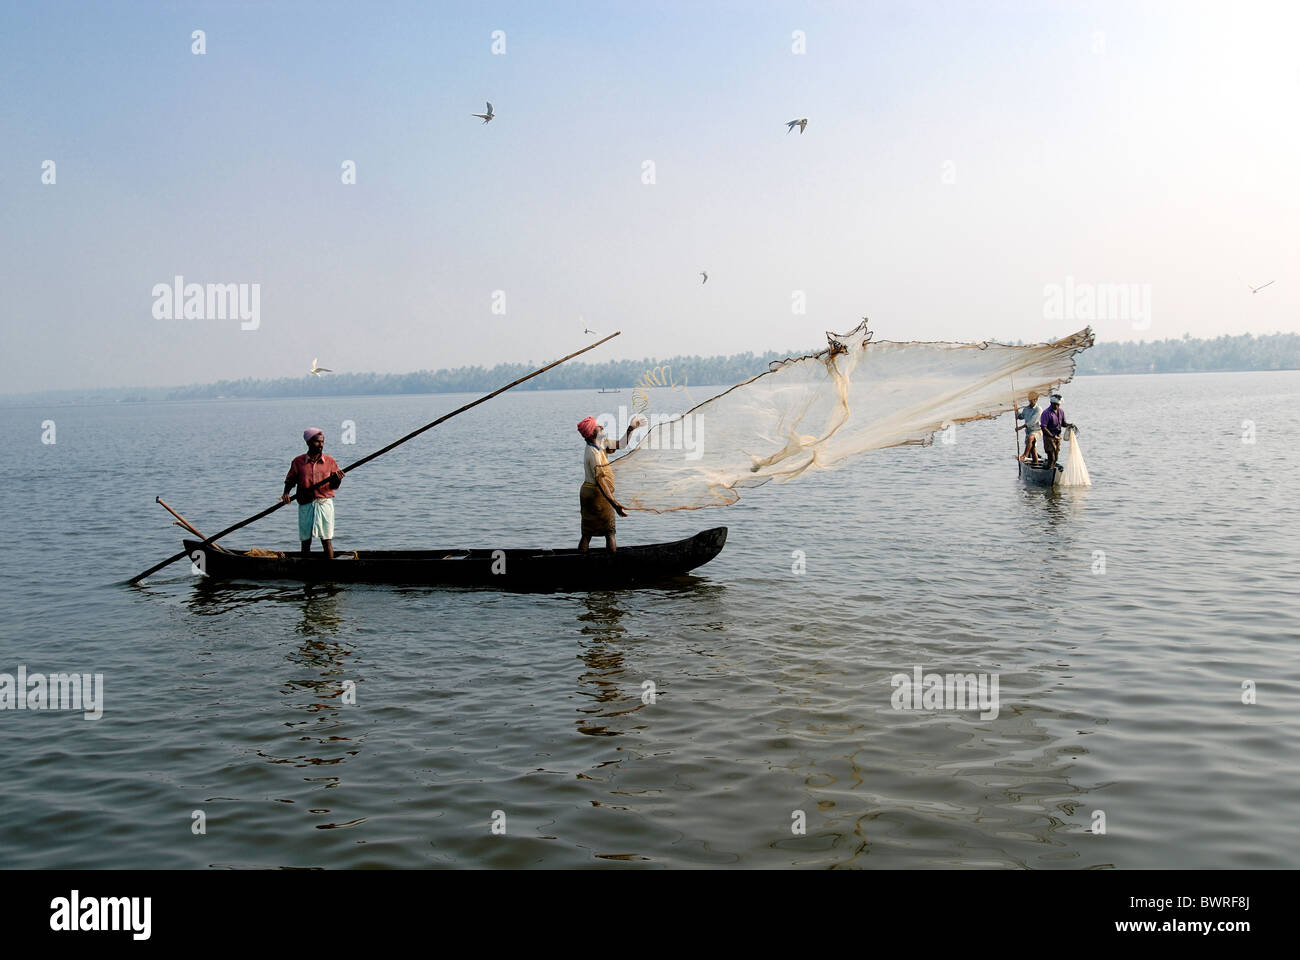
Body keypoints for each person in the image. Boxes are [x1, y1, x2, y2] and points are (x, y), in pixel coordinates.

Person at [576, 415, 643, 552]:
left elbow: (621, 444)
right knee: (610, 532)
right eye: (598, 426)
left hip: (588, 492)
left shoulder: (601, 443)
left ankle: (581, 561)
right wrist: (615, 505)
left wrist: (631, 429)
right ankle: (611, 563)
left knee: (587, 533)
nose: (601, 427)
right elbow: (600, 481)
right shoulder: (593, 453)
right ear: (592, 432)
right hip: (597, 494)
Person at [281, 428, 344, 558]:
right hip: (306, 503)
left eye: (322, 442)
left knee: (326, 540)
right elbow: (290, 480)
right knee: (305, 540)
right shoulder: (298, 462)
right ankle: (305, 568)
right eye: (317, 442)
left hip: (324, 503)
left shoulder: (330, 461)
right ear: (308, 443)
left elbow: (333, 486)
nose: (320, 445)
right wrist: (286, 493)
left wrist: (338, 480)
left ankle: (330, 569)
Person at [1039, 394, 1075, 470]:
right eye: (1055, 404)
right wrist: (1052, 436)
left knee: (1056, 457)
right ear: (1051, 403)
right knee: (1051, 457)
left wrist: (1069, 425)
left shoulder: (1061, 411)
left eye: (1058, 405)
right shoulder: (1046, 413)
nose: (1057, 406)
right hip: (1048, 437)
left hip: (1057, 437)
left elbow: (1063, 423)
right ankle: (1048, 471)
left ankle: (1051, 470)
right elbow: (1043, 427)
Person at [1016, 391, 1043, 464]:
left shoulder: (1038, 409)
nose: (1031, 401)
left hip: (1037, 430)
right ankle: (1036, 462)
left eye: (1033, 399)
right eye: (1029, 399)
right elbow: (1020, 417)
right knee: (1032, 448)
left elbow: (1032, 422)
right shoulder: (1026, 409)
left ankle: (1024, 456)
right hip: (1028, 431)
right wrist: (1016, 410)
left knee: (1031, 438)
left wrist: (1020, 427)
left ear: (1036, 400)